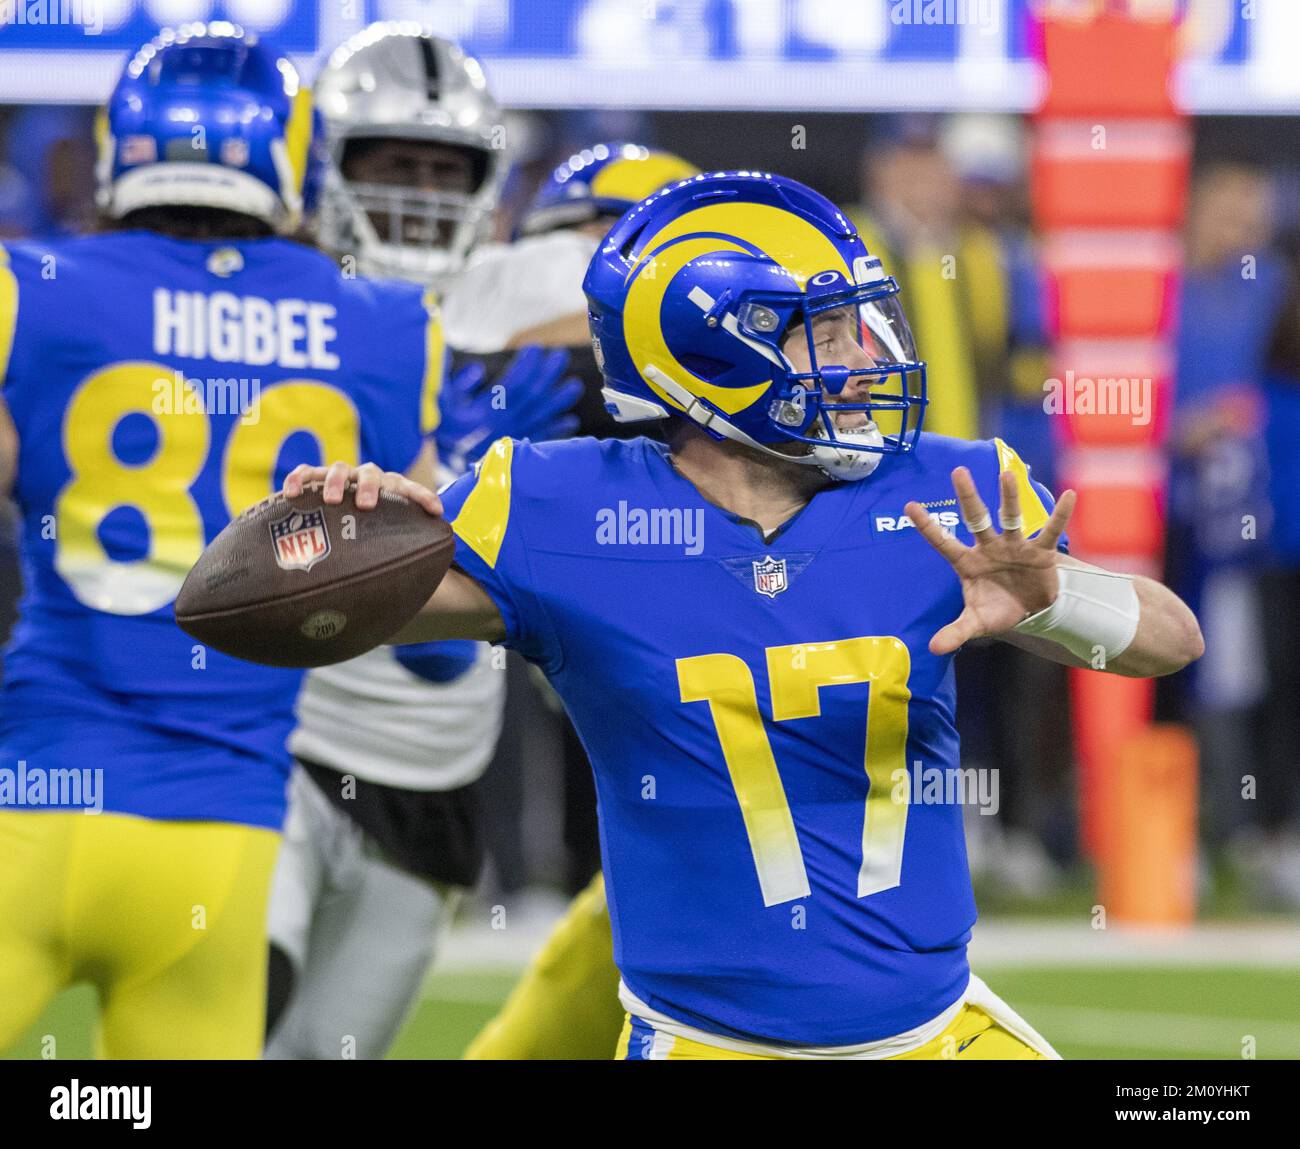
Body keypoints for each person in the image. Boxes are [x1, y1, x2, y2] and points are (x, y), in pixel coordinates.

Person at [277, 171, 1204, 1059]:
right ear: (717, 348)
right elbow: (313, 612)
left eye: (863, 328)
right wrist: (330, 529)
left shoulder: (939, 488)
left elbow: (1173, 639)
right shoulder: (563, 507)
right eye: (829, 333)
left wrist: (1052, 602)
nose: (865, 360)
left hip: (938, 1029)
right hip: (712, 1041)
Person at [0, 24, 444, 1058]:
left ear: (125, 147)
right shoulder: (386, 325)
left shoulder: (33, 287)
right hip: (224, 840)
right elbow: (429, 643)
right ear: (289, 154)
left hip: (35, 799)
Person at [265, 23, 581, 1060]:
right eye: (392, 163)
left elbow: (689, 269)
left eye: (444, 168)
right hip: (285, 740)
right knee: (232, 1030)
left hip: (439, 760)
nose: (417, 191)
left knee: (331, 1053)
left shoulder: (517, 295)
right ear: (325, 165)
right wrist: (455, 482)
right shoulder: (277, 300)